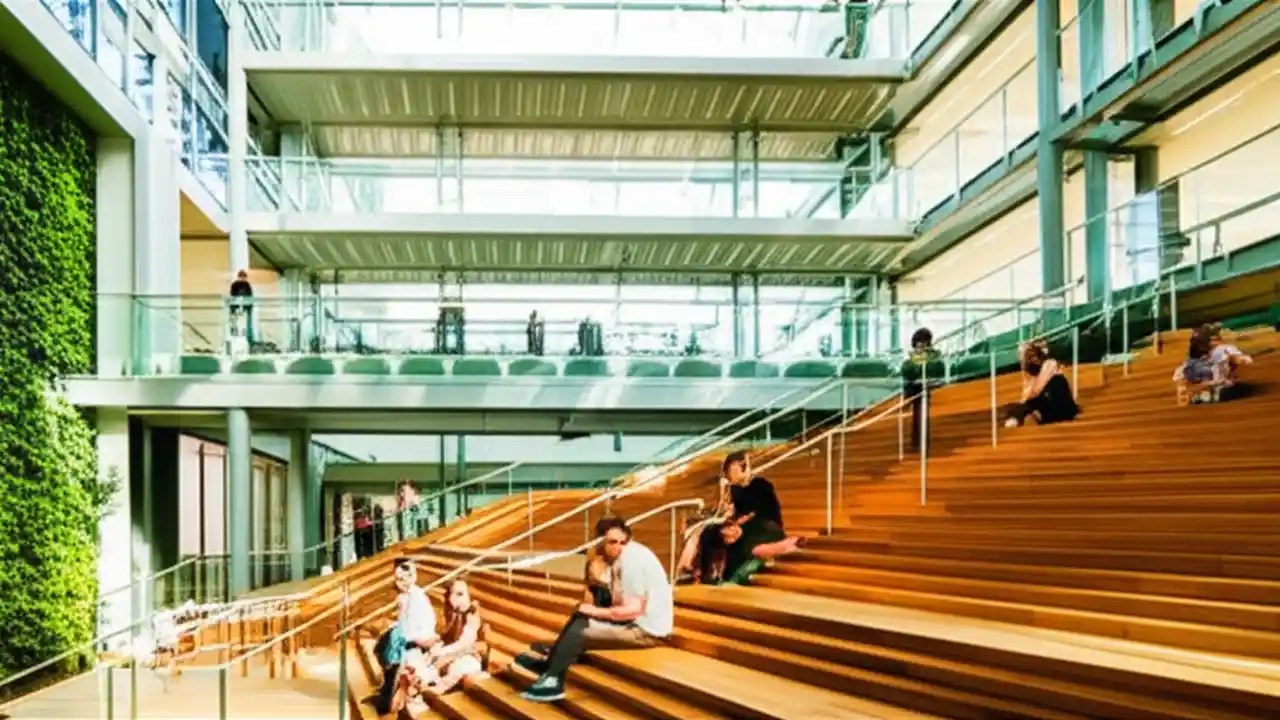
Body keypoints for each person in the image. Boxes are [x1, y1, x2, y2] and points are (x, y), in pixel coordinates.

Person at [516, 517, 673, 703]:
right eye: (612, 542)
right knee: (581, 615)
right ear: (600, 542)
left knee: (582, 630)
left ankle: (554, 682)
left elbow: (633, 610)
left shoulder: (631, 561)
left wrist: (595, 612)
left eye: (623, 542)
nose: (618, 547)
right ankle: (550, 665)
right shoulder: (623, 558)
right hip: (635, 622)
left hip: (646, 631)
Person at [392, 578, 487, 711]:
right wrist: (435, 648)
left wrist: (442, 652)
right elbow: (445, 636)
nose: (456, 599)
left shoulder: (472, 614)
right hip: (452, 654)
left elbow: (465, 643)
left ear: (470, 596)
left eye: (461, 594)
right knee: (422, 659)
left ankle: (435, 689)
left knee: (458, 668)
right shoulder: (453, 615)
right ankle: (415, 684)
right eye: (452, 594)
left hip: (469, 655)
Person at [372, 559, 438, 714]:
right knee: (382, 644)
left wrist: (401, 636)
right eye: (398, 579)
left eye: (404, 578)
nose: (400, 582)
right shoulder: (404, 597)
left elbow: (419, 629)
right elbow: (405, 624)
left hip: (415, 646)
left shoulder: (417, 598)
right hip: (407, 642)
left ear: (413, 576)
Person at [1004, 342, 1079, 427]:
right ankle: (1016, 418)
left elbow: (1037, 389)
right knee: (1018, 406)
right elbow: (1025, 398)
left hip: (1061, 405)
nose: (1033, 359)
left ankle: (1026, 416)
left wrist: (1030, 396)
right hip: (1047, 408)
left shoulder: (1050, 363)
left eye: (1034, 356)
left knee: (1057, 381)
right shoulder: (1031, 376)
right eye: (1029, 358)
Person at [900, 328, 941, 452]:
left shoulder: (933, 358)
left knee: (921, 411)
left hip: (925, 387)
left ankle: (922, 440)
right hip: (915, 388)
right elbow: (907, 371)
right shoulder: (911, 360)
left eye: (922, 344)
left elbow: (936, 370)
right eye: (918, 344)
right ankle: (917, 440)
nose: (920, 347)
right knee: (917, 410)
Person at [228, 269, 255, 346]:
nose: (243, 278)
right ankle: (234, 335)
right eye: (241, 276)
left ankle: (246, 338)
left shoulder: (246, 284)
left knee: (244, 323)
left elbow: (250, 295)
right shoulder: (236, 284)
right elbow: (232, 295)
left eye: (244, 277)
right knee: (235, 322)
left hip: (245, 306)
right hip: (237, 306)